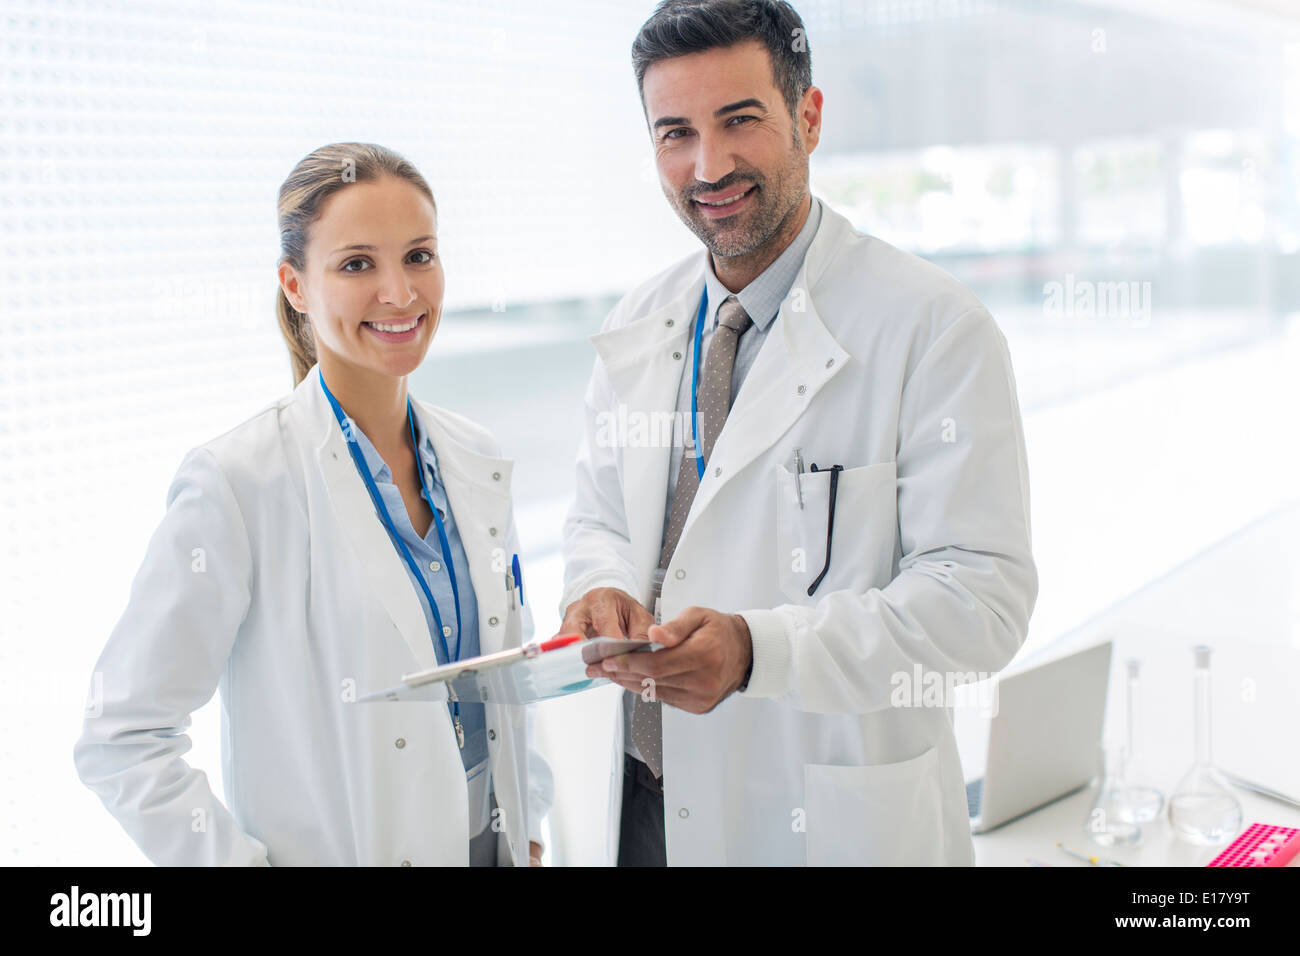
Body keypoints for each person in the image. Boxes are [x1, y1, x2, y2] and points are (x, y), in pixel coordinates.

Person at [559, 0, 1037, 866]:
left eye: (739, 120)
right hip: (634, 807)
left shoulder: (932, 327)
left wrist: (759, 653)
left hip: (816, 816)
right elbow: (598, 518)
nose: (709, 165)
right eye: (676, 133)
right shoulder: (640, 320)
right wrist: (599, 585)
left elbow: (980, 603)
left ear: (808, 118)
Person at [74, 142, 552, 866]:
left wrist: (532, 825)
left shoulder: (473, 457)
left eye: (419, 256)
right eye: (357, 264)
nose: (400, 293)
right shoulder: (238, 482)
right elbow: (121, 735)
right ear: (295, 286)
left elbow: (509, 672)